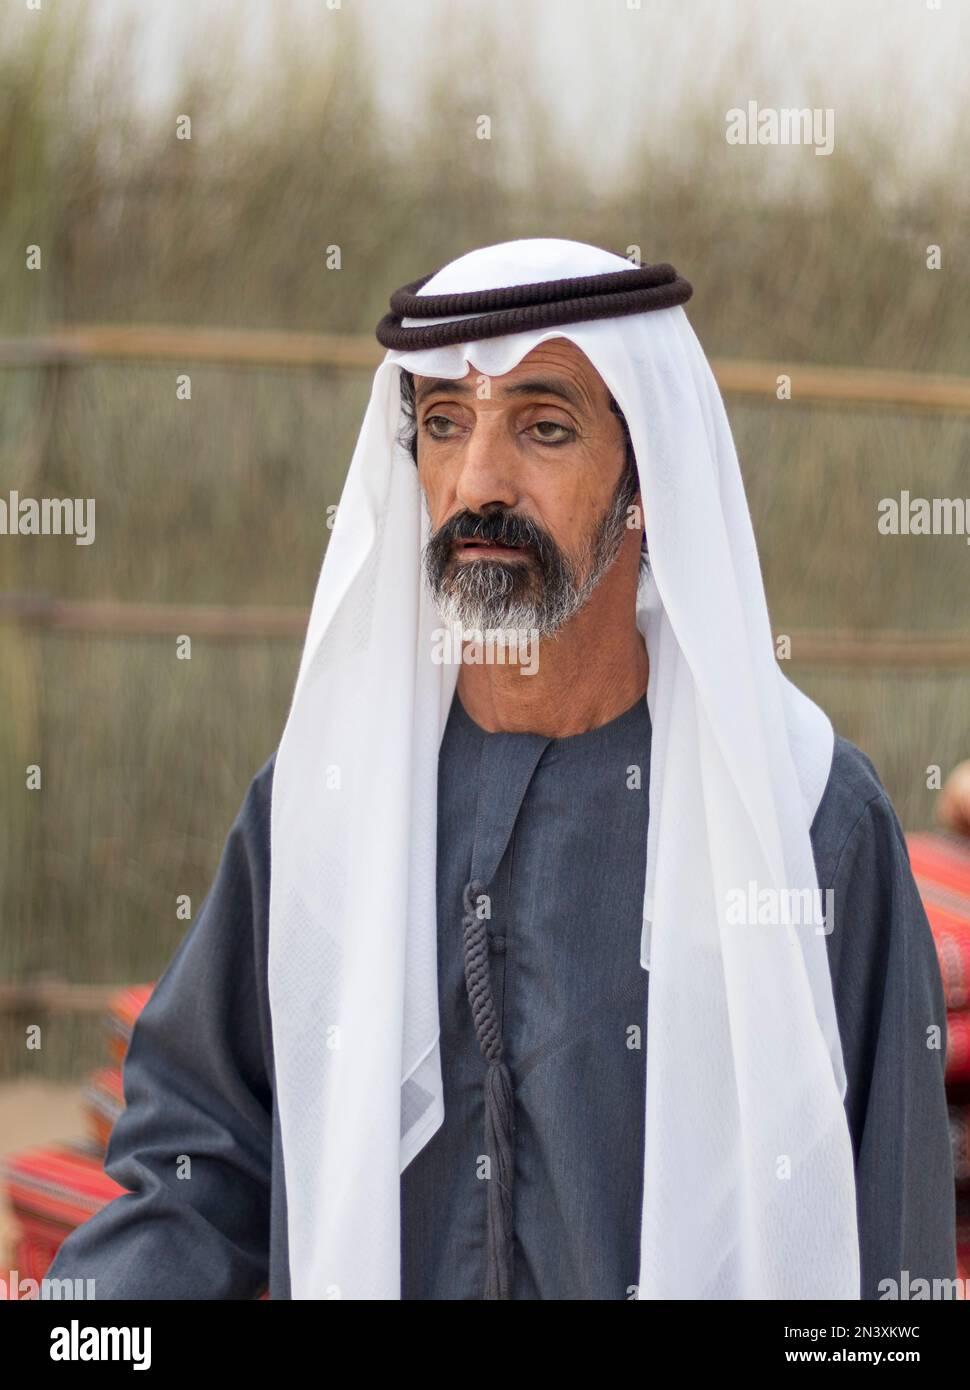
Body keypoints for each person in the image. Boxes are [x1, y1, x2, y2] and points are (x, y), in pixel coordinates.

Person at [45, 238, 955, 1301]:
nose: (477, 480)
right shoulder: (330, 801)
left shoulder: (802, 819)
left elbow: (892, 1240)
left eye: (545, 426)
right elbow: (198, 1159)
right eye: (442, 423)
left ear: (648, 473)